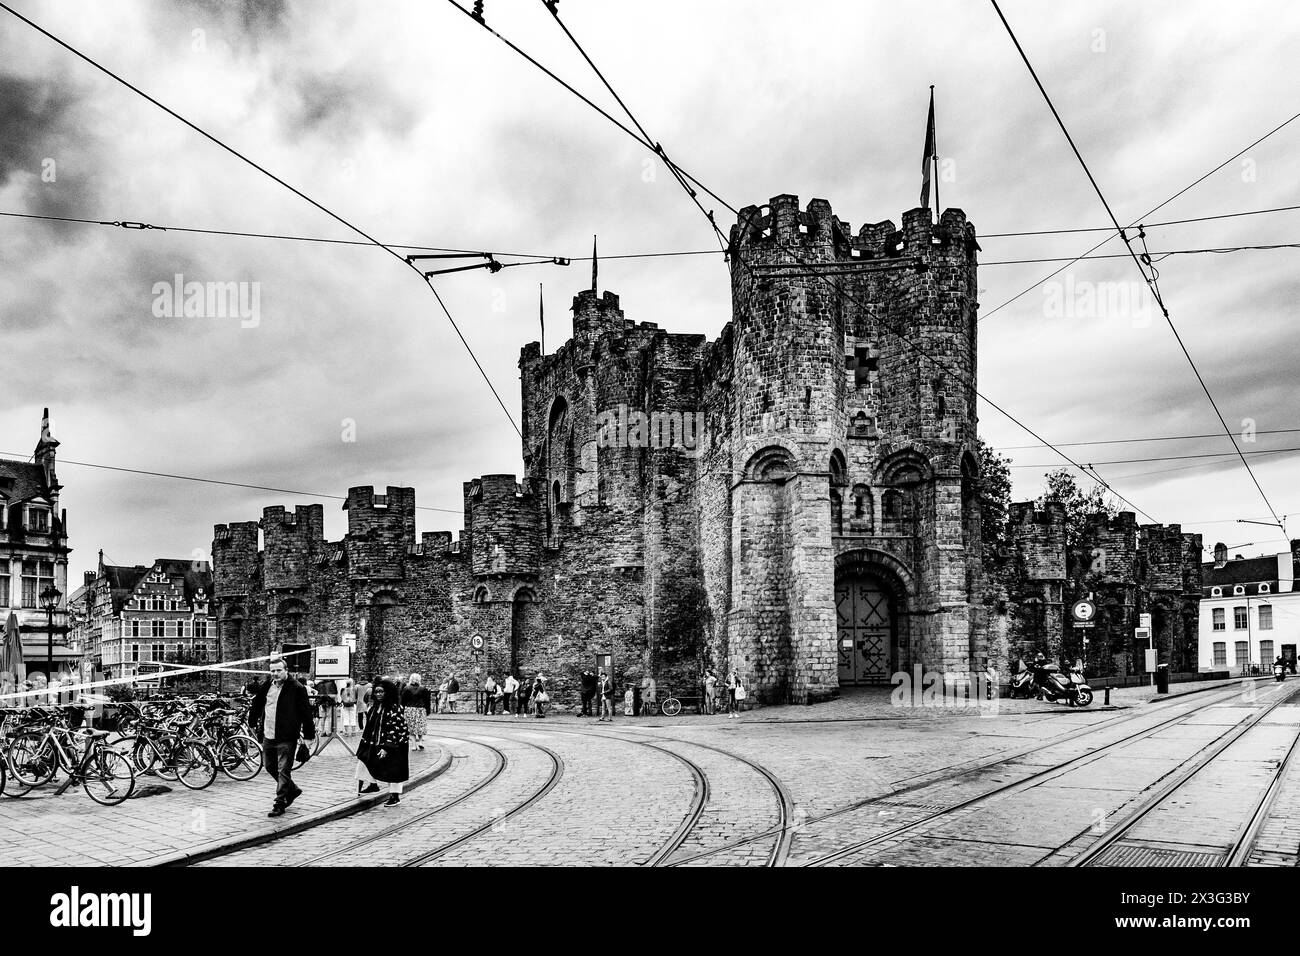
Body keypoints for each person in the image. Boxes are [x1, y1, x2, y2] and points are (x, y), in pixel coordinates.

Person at [247, 657, 316, 818]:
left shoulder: (296, 688)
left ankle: (280, 802)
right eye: (272, 671)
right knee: (270, 766)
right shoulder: (267, 686)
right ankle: (292, 790)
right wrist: (252, 719)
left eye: (279, 670)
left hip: (287, 735)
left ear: (286, 670)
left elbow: (306, 712)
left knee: (283, 769)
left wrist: (308, 736)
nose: (275, 674)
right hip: (268, 734)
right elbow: (258, 703)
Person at [355, 677, 410, 806]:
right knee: (364, 760)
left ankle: (394, 796)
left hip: (394, 746)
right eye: (377, 692)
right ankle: (372, 784)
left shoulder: (394, 708)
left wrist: (387, 747)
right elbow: (370, 726)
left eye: (382, 692)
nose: (379, 694)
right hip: (375, 742)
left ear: (388, 692)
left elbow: (397, 729)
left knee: (394, 770)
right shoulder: (375, 707)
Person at [401, 673, 432, 750]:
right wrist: (428, 710)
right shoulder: (423, 688)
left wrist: (402, 710)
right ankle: (420, 742)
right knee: (420, 727)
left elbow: (403, 701)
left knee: (411, 728)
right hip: (420, 709)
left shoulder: (406, 688)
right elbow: (427, 701)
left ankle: (414, 745)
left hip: (410, 709)